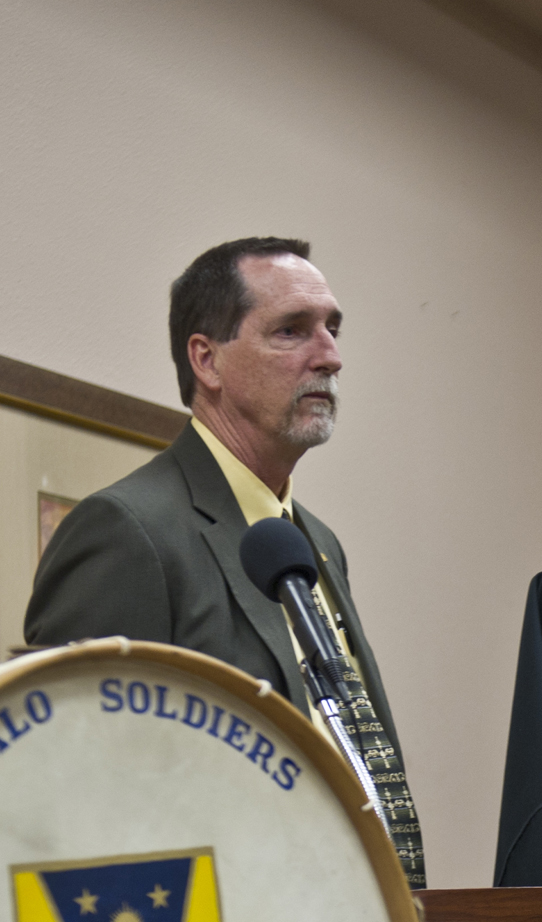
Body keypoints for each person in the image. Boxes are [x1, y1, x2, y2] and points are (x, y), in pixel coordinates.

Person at [26, 237, 422, 886]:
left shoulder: (313, 542)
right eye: (292, 331)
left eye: (332, 329)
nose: (331, 356)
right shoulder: (128, 530)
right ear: (206, 360)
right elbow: (76, 798)